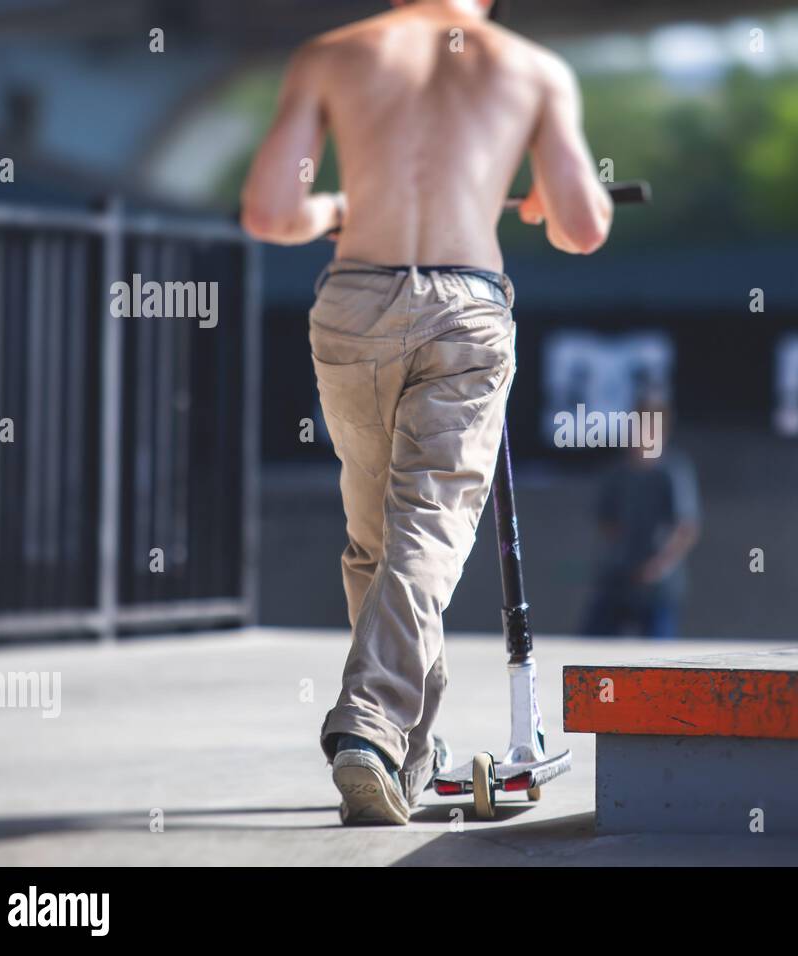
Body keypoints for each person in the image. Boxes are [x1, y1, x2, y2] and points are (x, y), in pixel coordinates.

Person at [239, 0, 612, 825]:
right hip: (466, 313)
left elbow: (269, 212)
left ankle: (404, 757)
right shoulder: (531, 70)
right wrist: (548, 205)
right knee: (425, 530)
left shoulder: (332, 56)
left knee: (377, 542)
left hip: (353, 304)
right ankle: (369, 725)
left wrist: (341, 208)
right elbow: (582, 226)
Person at [581, 398, 701, 638]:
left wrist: (658, 565)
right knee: (591, 646)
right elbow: (607, 520)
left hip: (658, 587)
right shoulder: (618, 473)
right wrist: (621, 552)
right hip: (618, 580)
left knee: (658, 658)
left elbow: (686, 526)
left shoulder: (672, 472)